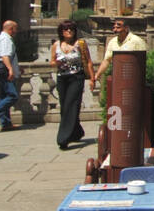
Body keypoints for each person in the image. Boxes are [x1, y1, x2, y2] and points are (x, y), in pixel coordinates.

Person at [50, 21, 95, 150]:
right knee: (65, 107)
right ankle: (77, 131)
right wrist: (56, 63)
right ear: (61, 31)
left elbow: (89, 62)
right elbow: (52, 62)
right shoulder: (56, 45)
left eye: (71, 29)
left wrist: (92, 79)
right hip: (62, 78)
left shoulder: (80, 44)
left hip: (76, 77)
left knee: (71, 104)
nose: (69, 31)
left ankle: (63, 138)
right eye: (66, 29)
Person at [93, 17, 147, 86]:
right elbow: (106, 61)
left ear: (126, 28)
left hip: (133, 81)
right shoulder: (112, 42)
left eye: (118, 27)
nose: (115, 30)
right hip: (117, 79)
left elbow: (143, 61)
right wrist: (97, 75)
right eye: (114, 28)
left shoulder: (137, 41)